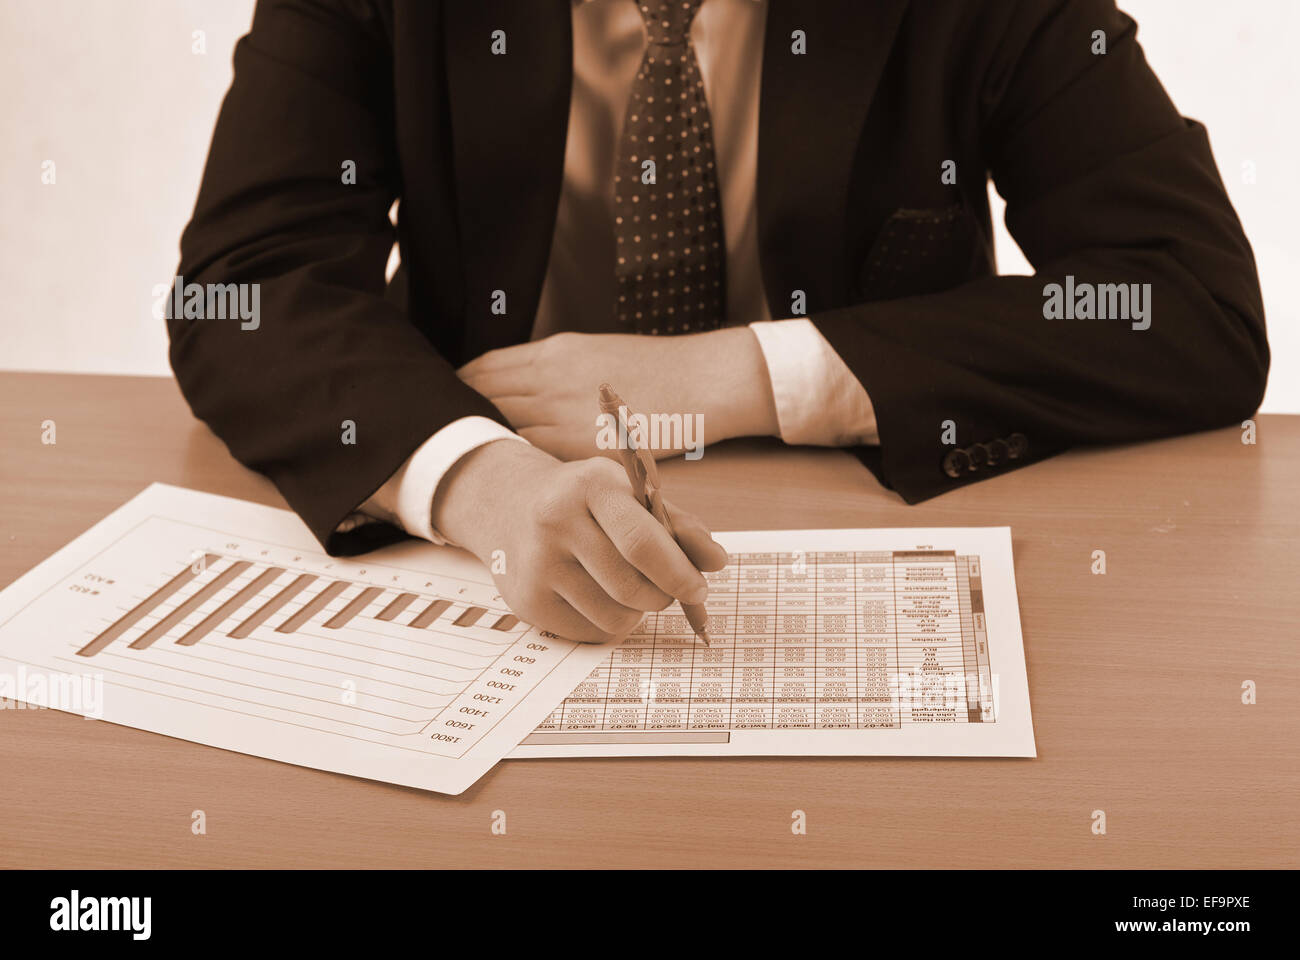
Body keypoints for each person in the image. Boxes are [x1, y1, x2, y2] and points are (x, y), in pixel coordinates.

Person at [168, 0, 1268, 643]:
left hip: (855, 541)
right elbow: (246, 282)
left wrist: (746, 372)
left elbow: (1186, 298)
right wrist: (480, 486)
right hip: (482, 559)